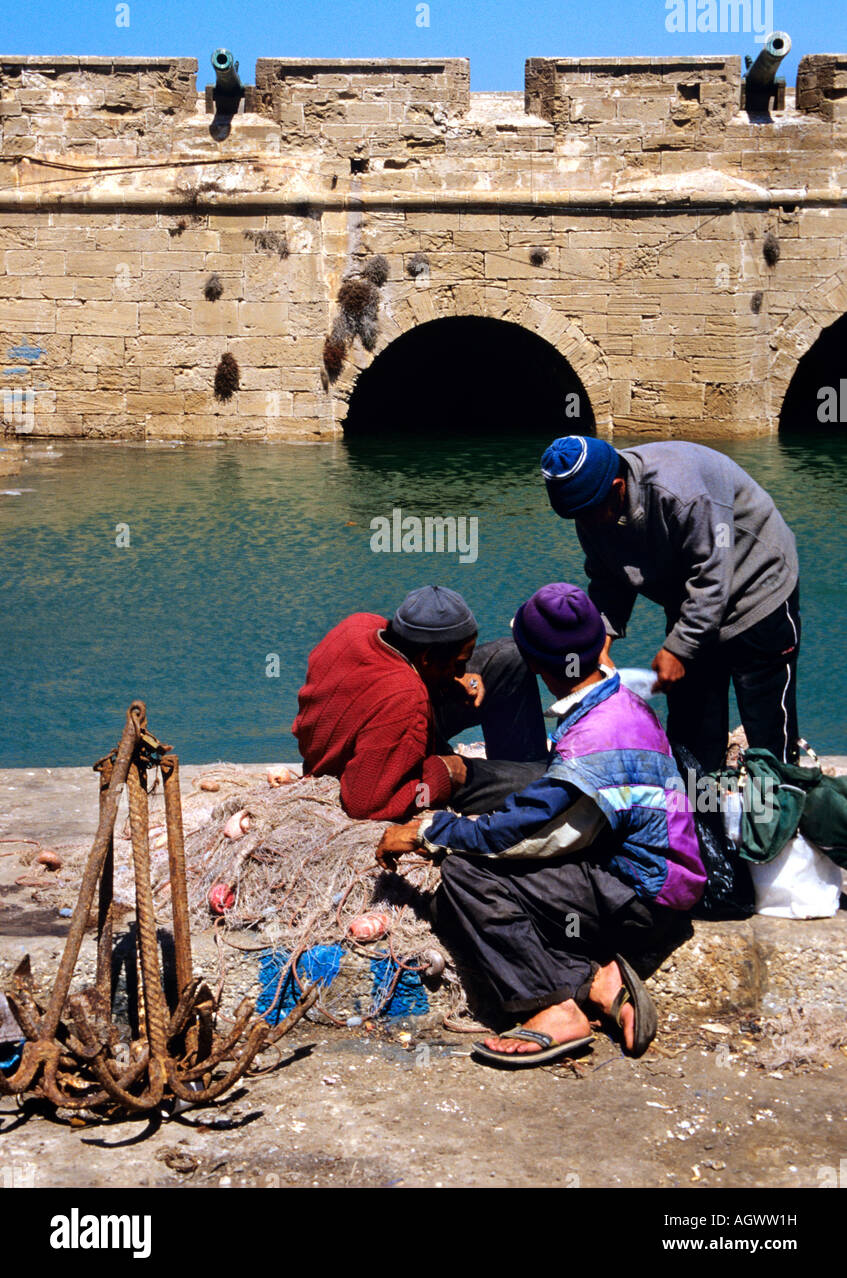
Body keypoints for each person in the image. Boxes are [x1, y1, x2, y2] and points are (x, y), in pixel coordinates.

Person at [376, 583, 705, 1068]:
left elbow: (524, 836)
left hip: (642, 901)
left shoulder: (591, 744)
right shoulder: (622, 704)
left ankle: (554, 1005)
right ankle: (598, 982)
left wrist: (430, 830)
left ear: (531, 663)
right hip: (669, 883)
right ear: (600, 646)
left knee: (467, 875)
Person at [540, 435, 801, 774]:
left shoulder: (681, 493)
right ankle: (699, 814)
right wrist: (600, 643)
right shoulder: (591, 507)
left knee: (767, 726)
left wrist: (678, 649)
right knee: (692, 729)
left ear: (618, 487)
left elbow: (712, 577)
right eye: (577, 517)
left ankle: (781, 804)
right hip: (692, 599)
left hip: (757, 588)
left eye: (589, 513)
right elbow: (607, 577)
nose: (585, 525)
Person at [292, 584, 549, 822]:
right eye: (458, 663)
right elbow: (362, 804)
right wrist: (444, 773)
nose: (462, 671)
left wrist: (449, 680)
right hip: (377, 761)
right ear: (427, 659)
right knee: (548, 780)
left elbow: (377, 686)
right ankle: (527, 781)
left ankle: (519, 763)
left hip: (383, 717)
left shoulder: (358, 626)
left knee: (509, 657)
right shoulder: (405, 697)